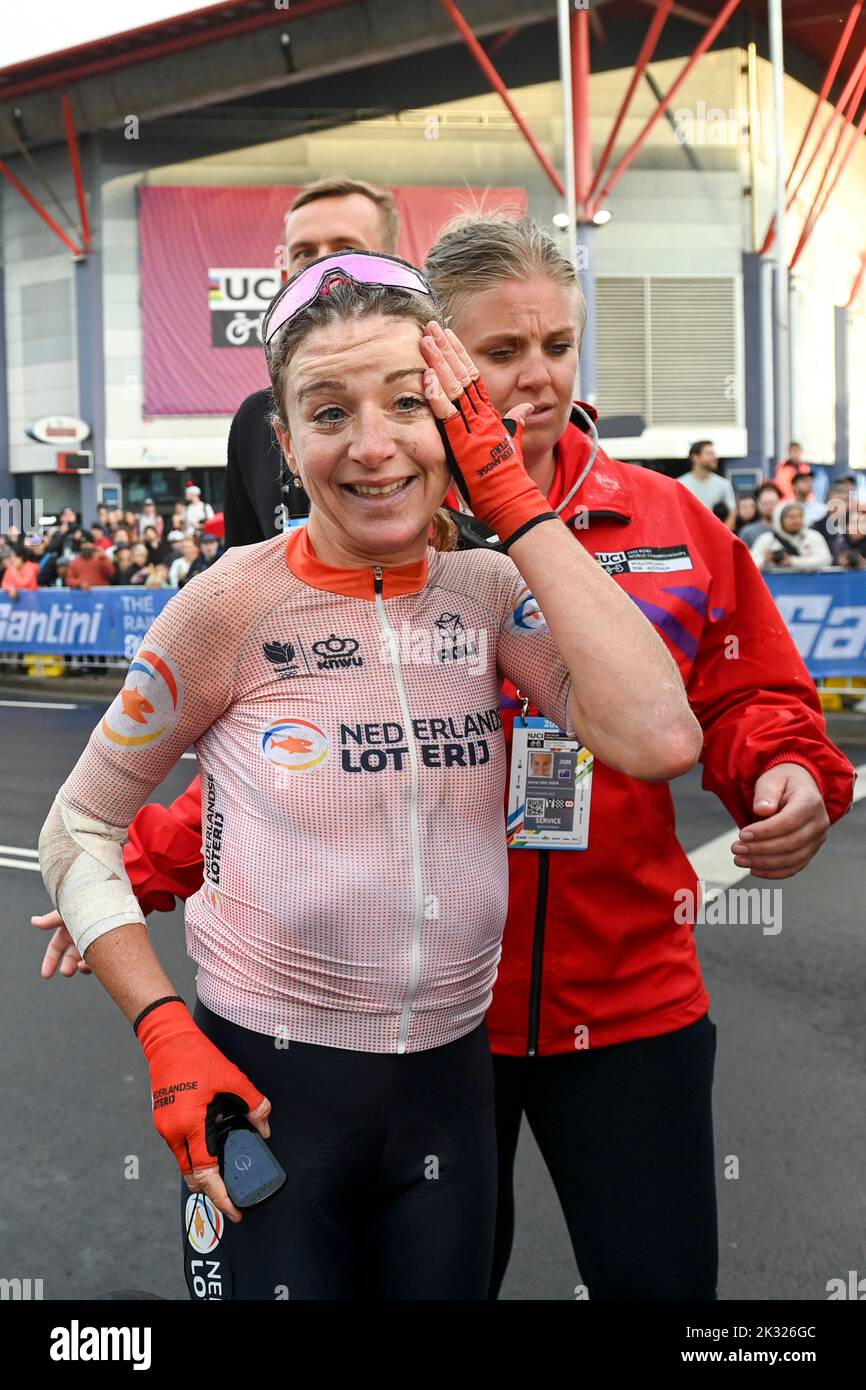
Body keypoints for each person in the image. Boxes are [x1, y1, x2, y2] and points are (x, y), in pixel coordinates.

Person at [36, 220, 856, 1304]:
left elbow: (676, 730)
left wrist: (513, 510)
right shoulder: (252, 589)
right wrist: (158, 990)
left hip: (536, 1041)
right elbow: (184, 801)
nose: (374, 444)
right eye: (330, 414)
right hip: (327, 1058)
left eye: (555, 347)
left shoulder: (537, 569)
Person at [225, 174, 399, 545]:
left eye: (345, 249)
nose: (322, 269)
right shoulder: (254, 421)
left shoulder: (442, 399)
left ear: (391, 266)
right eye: (305, 252)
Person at [750, 501, 833, 572]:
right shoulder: (766, 539)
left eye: (800, 516)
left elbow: (825, 559)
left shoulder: (814, 536)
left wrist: (793, 561)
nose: (797, 521)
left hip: (809, 586)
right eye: (791, 517)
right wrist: (764, 560)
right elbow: (750, 564)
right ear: (779, 520)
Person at [676, 440, 736, 529]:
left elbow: (732, 513)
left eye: (714, 454)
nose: (715, 457)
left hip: (714, 538)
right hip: (688, 538)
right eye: (709, 454)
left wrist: (721, 537)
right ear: (695, 457)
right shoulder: (680, 484)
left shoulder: (724, 484)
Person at [736, 480, 782, 548]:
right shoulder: (747, 532)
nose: (769, 507)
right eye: (765, 503)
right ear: (758, 505)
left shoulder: (788, 530)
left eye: (772, 503)